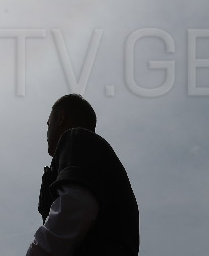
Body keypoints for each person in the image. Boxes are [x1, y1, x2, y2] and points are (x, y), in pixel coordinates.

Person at [27, 94, 139, 255]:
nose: (47, 130)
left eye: (48, 123)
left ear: (61, 118)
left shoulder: (76, 138)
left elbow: (76, 204)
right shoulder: (98, 160)